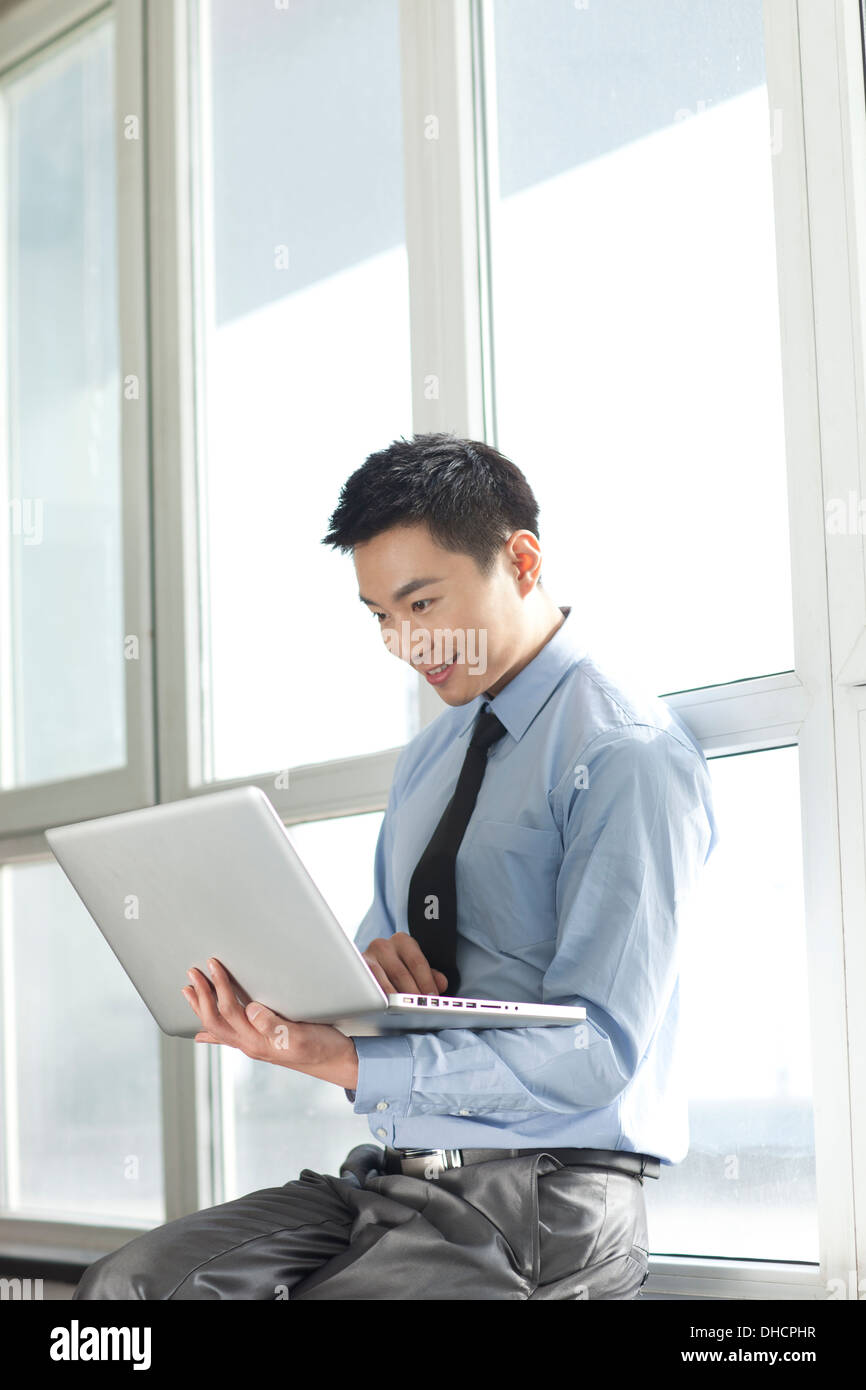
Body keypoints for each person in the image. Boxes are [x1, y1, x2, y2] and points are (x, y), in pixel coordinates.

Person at [73, 432, 718, 1300]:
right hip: (388, 1176)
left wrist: (345, 1061)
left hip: (540, 1195)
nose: (404, 642)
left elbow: (599, 1051)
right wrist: (362, 982)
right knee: (129, 1291)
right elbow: (387, 965)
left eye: (422, 603)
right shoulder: (429, 759)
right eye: (381, 615)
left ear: (521, 561)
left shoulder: (625, 753)